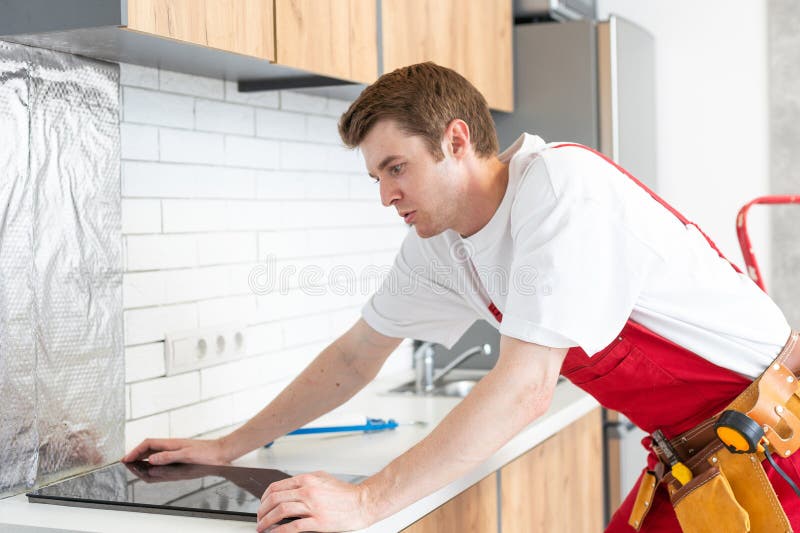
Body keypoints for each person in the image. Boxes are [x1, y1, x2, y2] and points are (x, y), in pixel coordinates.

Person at [123, 62, 799, 533]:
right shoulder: (441, 246)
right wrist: (230, 446)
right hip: (699, 458)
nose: (386, 194)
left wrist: (365, 501)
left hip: (773, 443)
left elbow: (525, 389)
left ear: (455, 140)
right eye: (377, 176)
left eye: (396, 167)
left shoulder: (560, 187)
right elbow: (357, 355)